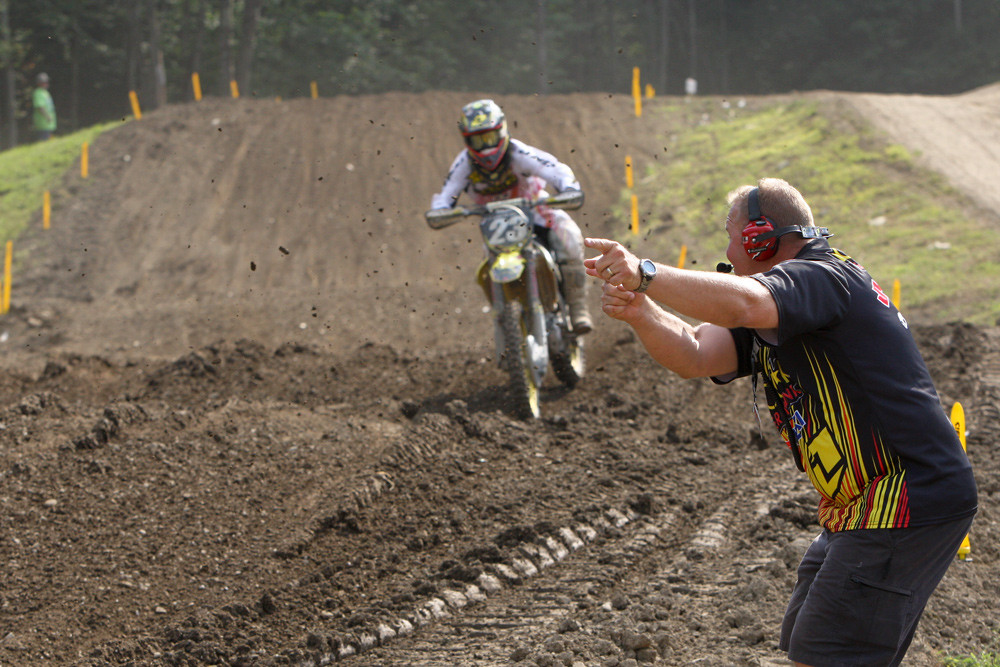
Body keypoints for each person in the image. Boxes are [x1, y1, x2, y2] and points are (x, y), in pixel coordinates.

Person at [584, 177, 977, 667]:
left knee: (822, 654)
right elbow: (696, 352)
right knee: (807, 645)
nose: (728, 253)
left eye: (732, 238)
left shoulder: (823, 277)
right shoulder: (780, 308)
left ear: (760, 239)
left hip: (905, 497)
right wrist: (642, 313)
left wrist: (645, 273)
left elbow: (745, 301)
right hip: (862, 505)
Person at [428, 98, 592, 334]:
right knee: (487, 266)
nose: (485, 147)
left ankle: (578, 309)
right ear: (467, 140)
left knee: (569, 238)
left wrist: (568, 187)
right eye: (478, 140)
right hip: (497, 225)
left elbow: (554, 168)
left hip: (537, 210)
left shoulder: (518, 152)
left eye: (489, 137)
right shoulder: (464, 164)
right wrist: (440, 210)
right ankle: (505, 318)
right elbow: (447, 193)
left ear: (501, 131)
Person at [32, 72, 56, 142]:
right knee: (44, 140)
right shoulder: (38, 93)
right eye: (44, 82)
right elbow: (40, 107)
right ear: (39, 83)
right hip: (43, 123)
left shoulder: (45, 92)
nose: (46, 84)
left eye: (47, 82)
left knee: (49, 140)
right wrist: (47, 116)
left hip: (49, 124)